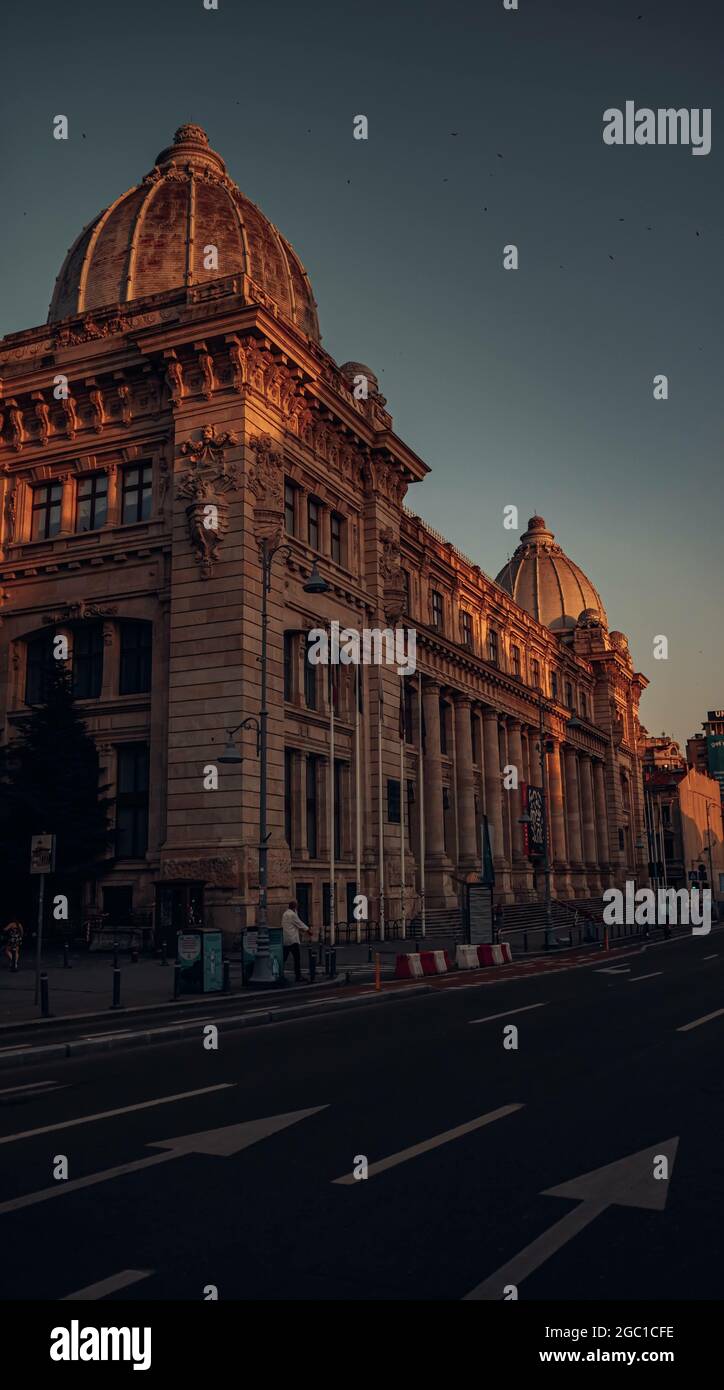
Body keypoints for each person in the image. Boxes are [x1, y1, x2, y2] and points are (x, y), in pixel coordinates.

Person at [281, 900, 310, 983]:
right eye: (296, 906)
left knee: (283, 958)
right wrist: (308, 930)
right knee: (297, 958)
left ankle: (279, 973)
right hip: (293, 940)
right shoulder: (292, 915)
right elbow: (299, 923)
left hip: (286, 939)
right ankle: (298, 976)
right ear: (294, 906)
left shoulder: (285, 913)